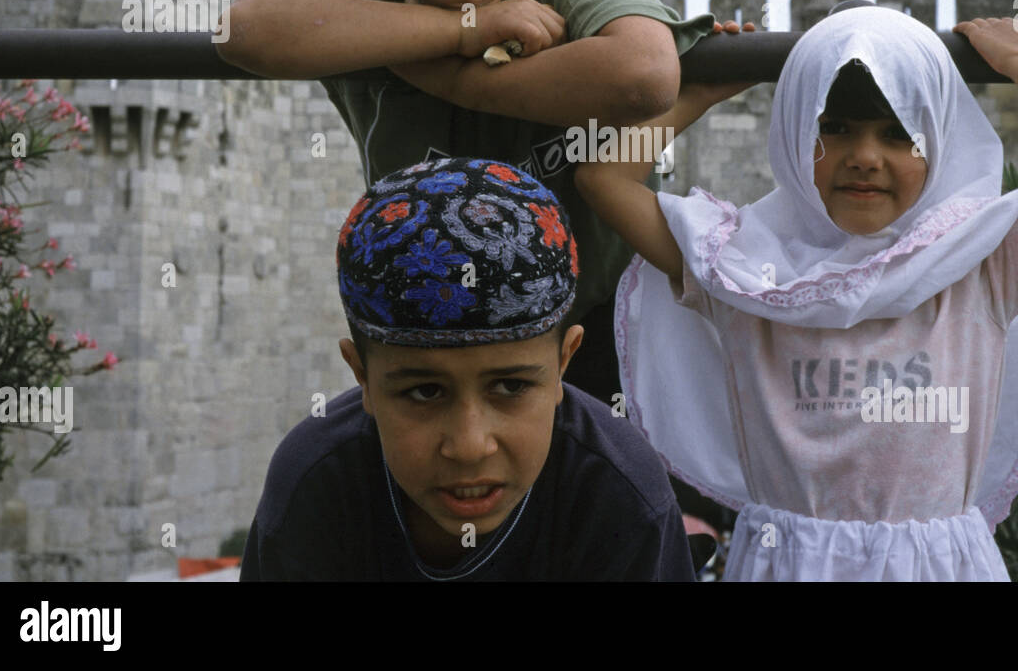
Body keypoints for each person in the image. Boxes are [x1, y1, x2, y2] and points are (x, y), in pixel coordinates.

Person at [575, 6, 1018, 580]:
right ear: (796, 129)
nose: (866, 156)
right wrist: (701, 92)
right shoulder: (739, 269)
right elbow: (602, 177)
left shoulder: (983, 260)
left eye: (900, 135)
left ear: (938, 141)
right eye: (835, 127)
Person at [216, 0, 715, 407]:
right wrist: (468, 32)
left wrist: (462, 82)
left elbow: (644, 72)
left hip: (591, 345)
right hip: (425, 334)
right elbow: (246, 28)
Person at [240, 158, 695, 580]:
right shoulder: (316, 486)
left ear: (563, 363)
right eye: (424, 392)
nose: (470, 446)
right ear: (362, 377)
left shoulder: (620, 499)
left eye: (510, 386)